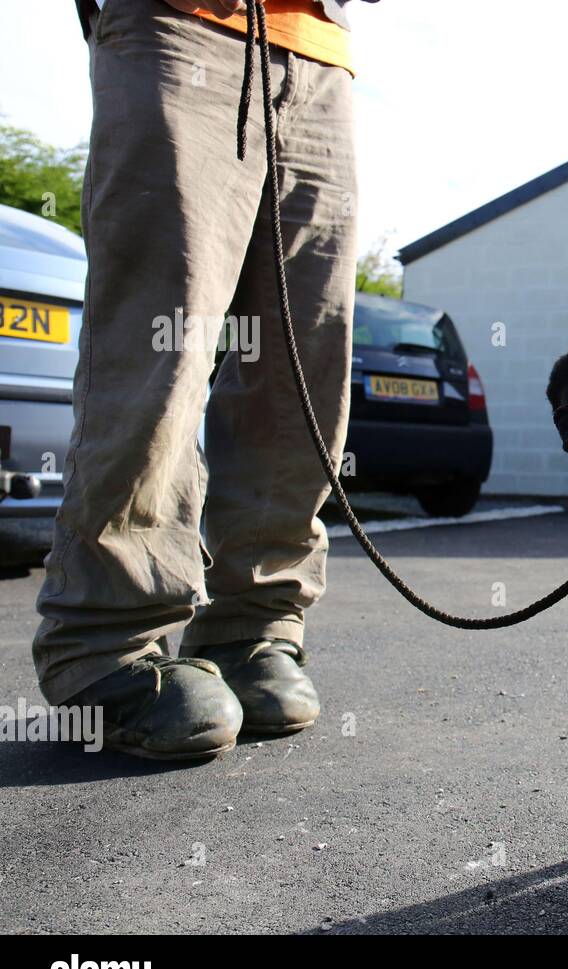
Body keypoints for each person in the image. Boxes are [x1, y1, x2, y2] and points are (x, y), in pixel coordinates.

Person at [38, 0, 376, 759]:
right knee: (165, 340)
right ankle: (105, 646)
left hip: (318, 51)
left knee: (305, 363)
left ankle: (253, 624)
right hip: (177, 21)